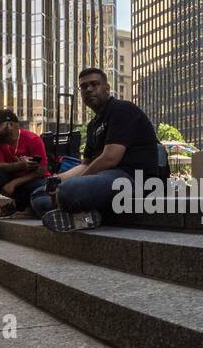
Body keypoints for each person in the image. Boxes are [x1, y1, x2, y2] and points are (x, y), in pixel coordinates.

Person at [31, 67, 170, 232]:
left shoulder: (122, 109)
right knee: (39, 195)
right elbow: (85, 164)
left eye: (94, 84)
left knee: (69, 191)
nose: (89, 89)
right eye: (83, 87)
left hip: (132, 179)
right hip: (105, 178)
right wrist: (57, 180)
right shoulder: (92, 125)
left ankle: (82, 213)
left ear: (106, 88)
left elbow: (111, 158)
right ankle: (85, 217)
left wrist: (73, 183)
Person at [0, 108, 46, 238]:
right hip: (13, 178)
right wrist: (20, 165)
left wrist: (14, 182)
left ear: (10, 124)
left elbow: (41, 171)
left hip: (32, 181)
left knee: (36, 187)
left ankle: (13, 206)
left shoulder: (33, 139)